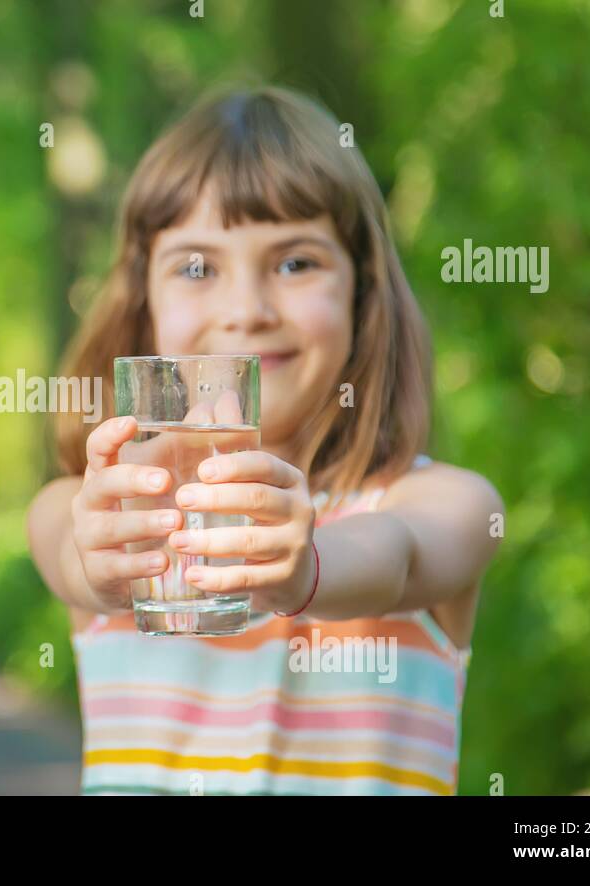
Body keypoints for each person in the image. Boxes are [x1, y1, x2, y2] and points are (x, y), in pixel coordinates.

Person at [26, 85, 504, 795]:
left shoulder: (444, 502)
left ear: (363, 295)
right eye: (196, 267)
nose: (245, 310)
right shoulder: (95, 511)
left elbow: (399, 555)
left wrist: (303, 568)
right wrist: (100, 563)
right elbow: (73, 555)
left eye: (295, 263)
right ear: (142, 301)